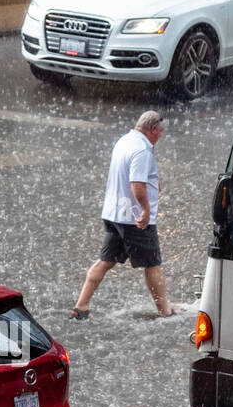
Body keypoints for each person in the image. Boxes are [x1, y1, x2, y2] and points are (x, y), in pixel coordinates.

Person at [71, 110, 174, 319]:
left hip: (113, 214)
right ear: (153, 129)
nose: (161, 136)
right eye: (160, 131)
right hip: (133, 218)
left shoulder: (124, 141)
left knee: (105, 260)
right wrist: (145, 210)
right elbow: (136, 185)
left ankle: (81, 307)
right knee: (153, 264)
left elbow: (131, 175)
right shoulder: (142, 150)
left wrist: (154, 185)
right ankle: (165, 312)